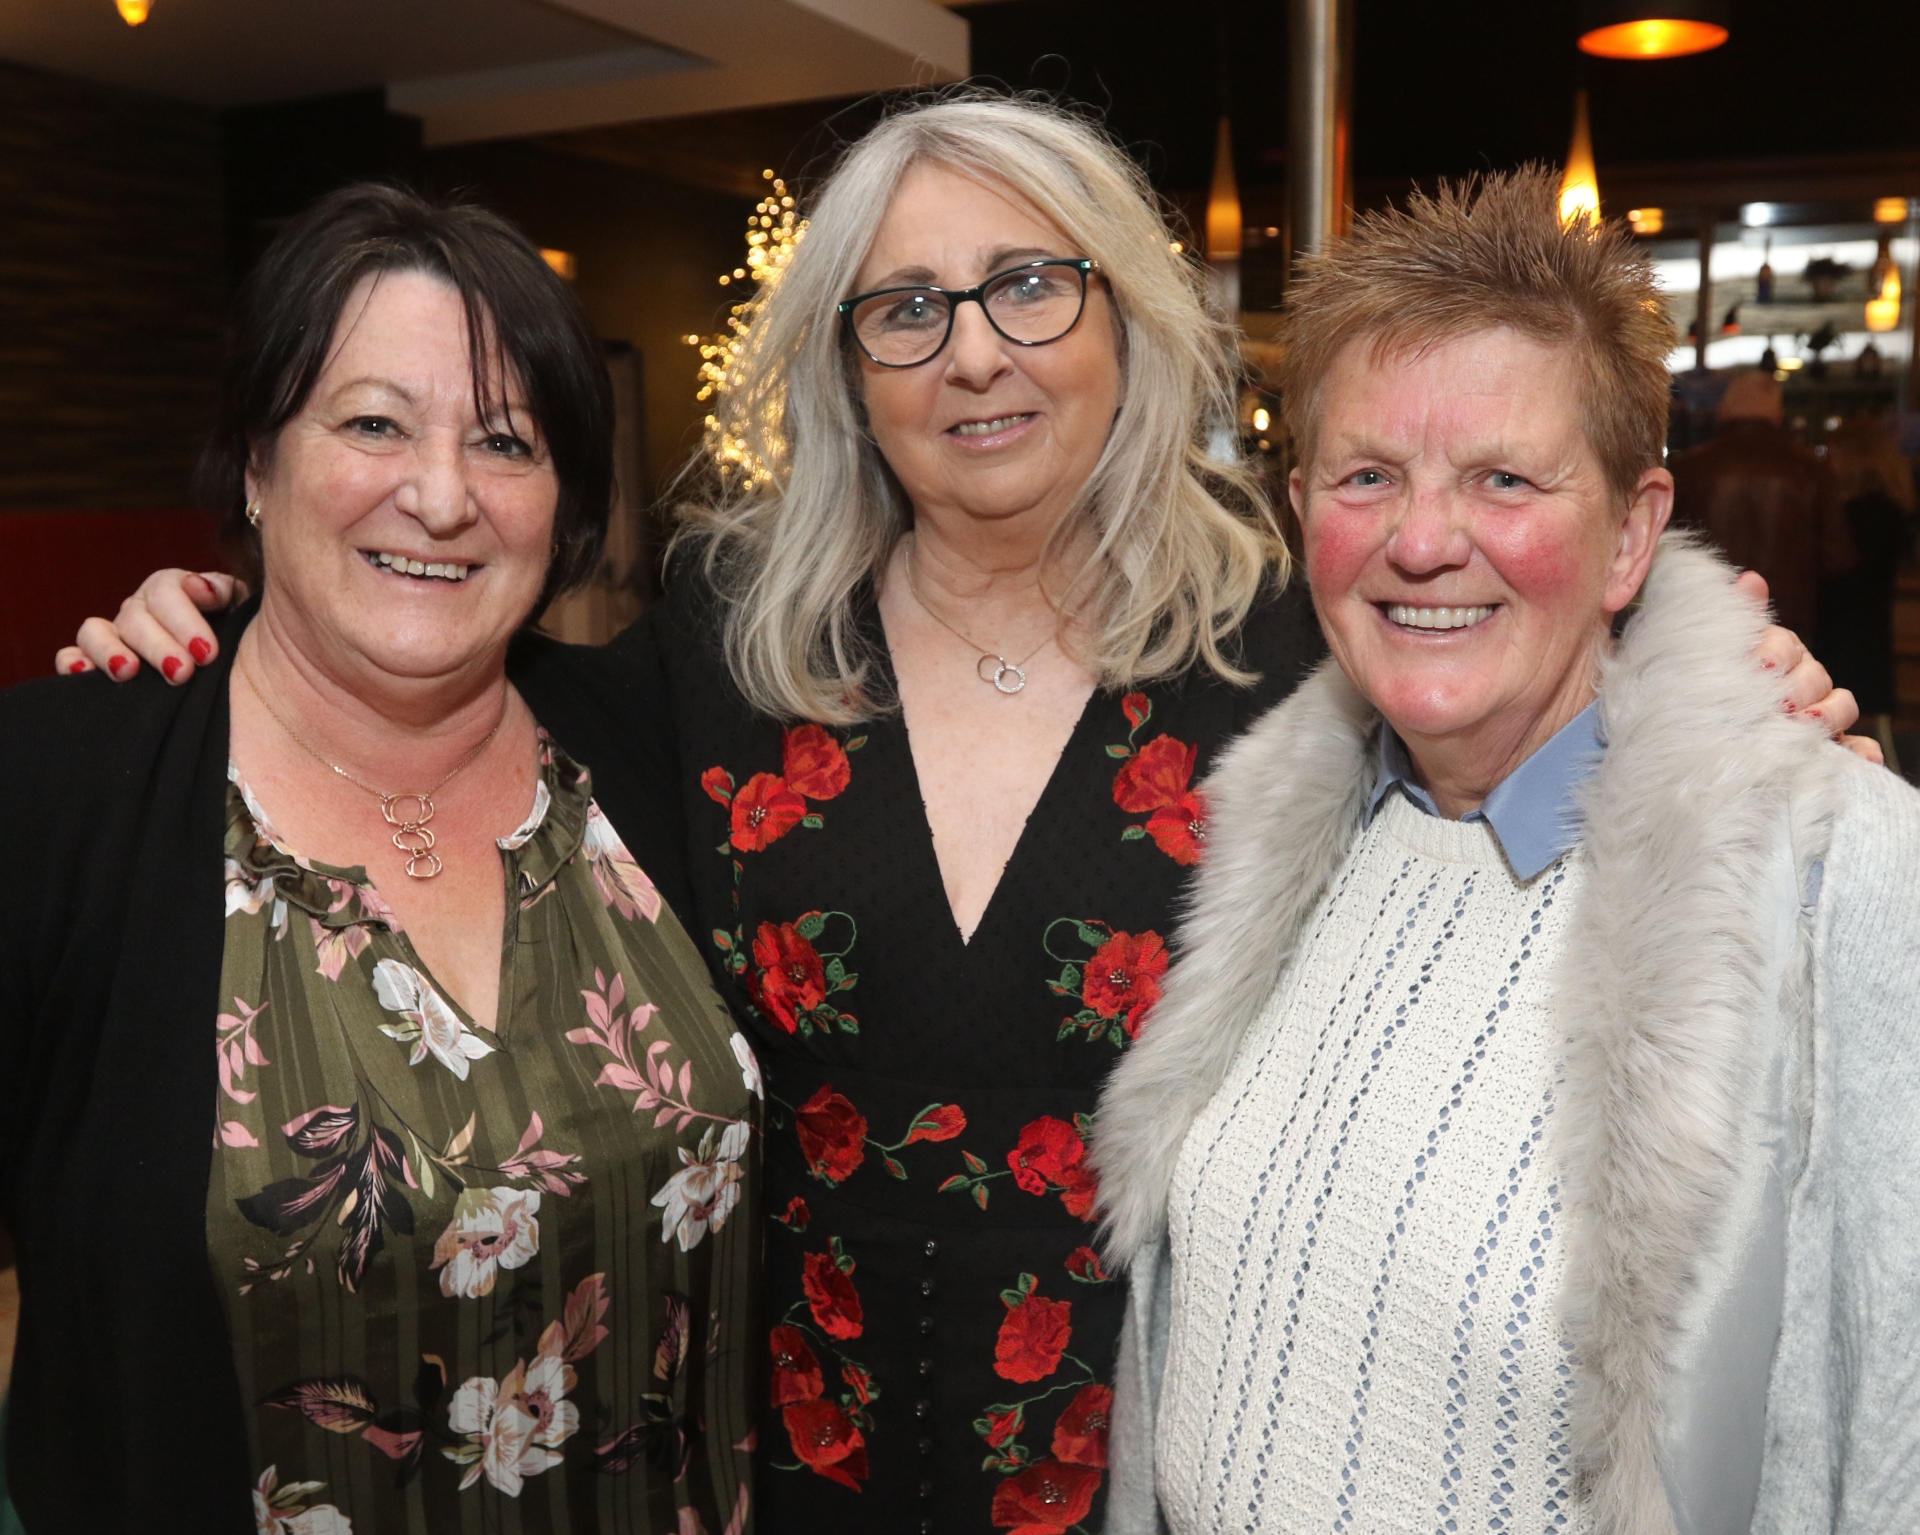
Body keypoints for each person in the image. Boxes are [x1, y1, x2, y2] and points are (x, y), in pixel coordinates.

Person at [58, 96, 1863, 1535]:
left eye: (1029, 286)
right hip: (786, 1462)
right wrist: (210, 632)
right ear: (850, 366)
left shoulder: (1293, 644)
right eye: (906, 309)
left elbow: (1519, 644)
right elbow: (416, 671)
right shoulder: (726, 638)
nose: (972, 352)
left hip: (1175, 1441)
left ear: (1122, 316)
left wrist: (1719, 678)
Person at [1091, 170, 1920, 1535]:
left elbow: (1888, 1424)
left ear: (1631, 533)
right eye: (1369, 476)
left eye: (1503, 478)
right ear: (1307, 512)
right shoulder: (1283, 839)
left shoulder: (1831, 871)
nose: (1423, 540)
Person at [1, 185, 757, 1533]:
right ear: (253, 460)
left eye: (507, 441)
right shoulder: (61, 791)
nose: (442, 494)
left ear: (567, 498)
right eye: (372, 422)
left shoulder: (659, 737)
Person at [1671, 368, 1854, 640]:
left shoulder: (1687, 468)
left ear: (1723, 411)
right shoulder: (1811, 469)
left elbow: (1667, 553)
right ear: (1778, 415)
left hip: (1703, 625)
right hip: (1785, 629)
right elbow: (1837, 559)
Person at [1818, 415, 1915, 742]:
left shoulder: (1859, 515)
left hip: (1846, 638)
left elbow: (1842, 578)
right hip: (1870, 636)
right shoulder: (1890, 510)